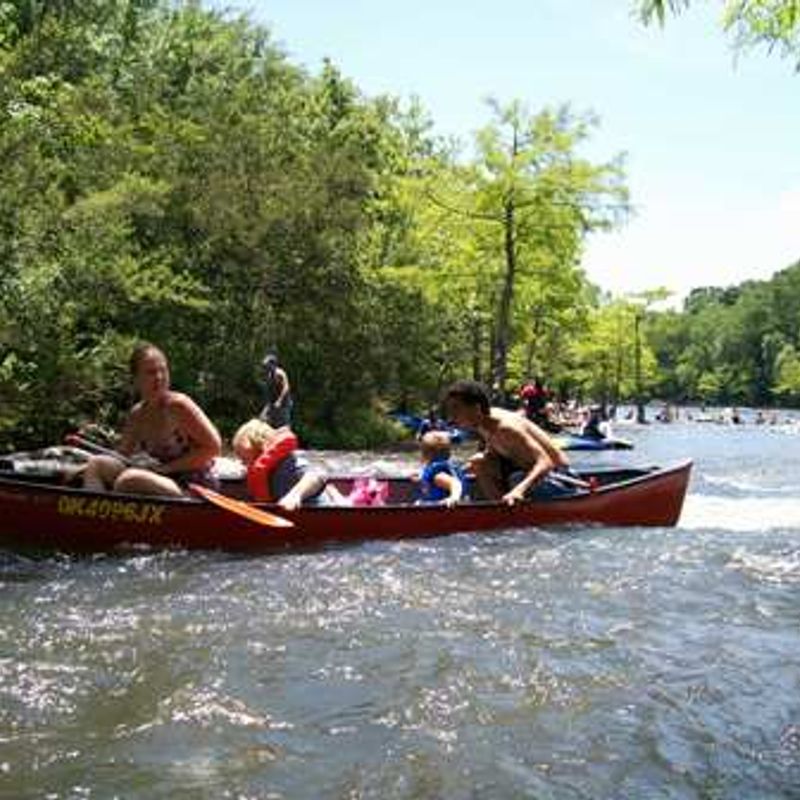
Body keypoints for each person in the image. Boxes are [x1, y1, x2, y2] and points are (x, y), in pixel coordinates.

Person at [82, 343, 222, 497]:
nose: (159, 377)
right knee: (96, 464)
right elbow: (122, 456)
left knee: (129, 480)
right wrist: (81, 465)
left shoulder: (179, 405)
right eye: (151, 372)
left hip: (192, 485)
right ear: (136, 378)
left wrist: (165, 469)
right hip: (159, 479)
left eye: (163, 370)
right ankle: (97, 513)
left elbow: (213, 448)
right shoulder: (137, 414)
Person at [443, 379, 584, 506]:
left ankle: (507, 513)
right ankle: (500, 508)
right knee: (478, 462)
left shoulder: (506, 428)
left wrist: (519, 490)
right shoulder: (482, 424)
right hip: (524, 470)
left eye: (456, 409)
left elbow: (545, 462)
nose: (452, 417)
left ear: (476, 408)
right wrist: (459, 471)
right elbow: (497, 452)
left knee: (516, 479)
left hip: (561, 477)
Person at [232, 418, 328, 511]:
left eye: (244, 458)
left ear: (261, 448)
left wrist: (295, 495)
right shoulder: (257, 469)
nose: (242, 463)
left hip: (316, 516)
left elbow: (317, 474)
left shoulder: (286, 464)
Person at [415, 431, 465, 507]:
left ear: (427, 454)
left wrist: (454, 498)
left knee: (418, 503)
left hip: (439, 511)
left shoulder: (437, 474)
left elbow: (455, 483)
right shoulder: (448, 466)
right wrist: (421, 478)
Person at [259, 353, 292, 429]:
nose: (266, 368)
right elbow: (269, 394)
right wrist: (266, 407)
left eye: (267, 365)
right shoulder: (269, 376)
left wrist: (279, 401)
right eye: (265, 366)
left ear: (273, 364)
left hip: (284, 404)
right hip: (273, 404)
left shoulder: (280, 373)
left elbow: (286, 387)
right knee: (266, 421)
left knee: (283, 424)